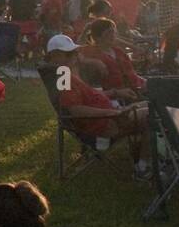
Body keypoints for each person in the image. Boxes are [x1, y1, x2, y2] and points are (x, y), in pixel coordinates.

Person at [46, 34, 150, 178]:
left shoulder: (66, 74)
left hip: (109, 116)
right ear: (55, 56)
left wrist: (116, 92)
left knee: (151, 103)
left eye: (75, 53)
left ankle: (145, 156)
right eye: (70, 54)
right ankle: (143, 167)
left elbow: (90, 97)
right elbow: (75, 110)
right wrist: (113, 113)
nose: (75, 57)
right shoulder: (63, 77)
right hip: (103, 123)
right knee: (154, 114)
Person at [80, 18, 144, 101]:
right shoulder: (91, 52)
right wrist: (94, 61)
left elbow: (130, 72)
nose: (113, 35)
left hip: (138, 89)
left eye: (114, 32)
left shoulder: (118, 51)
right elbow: (73, 55)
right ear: (98, 37)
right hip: (117, 96)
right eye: (109, 32)